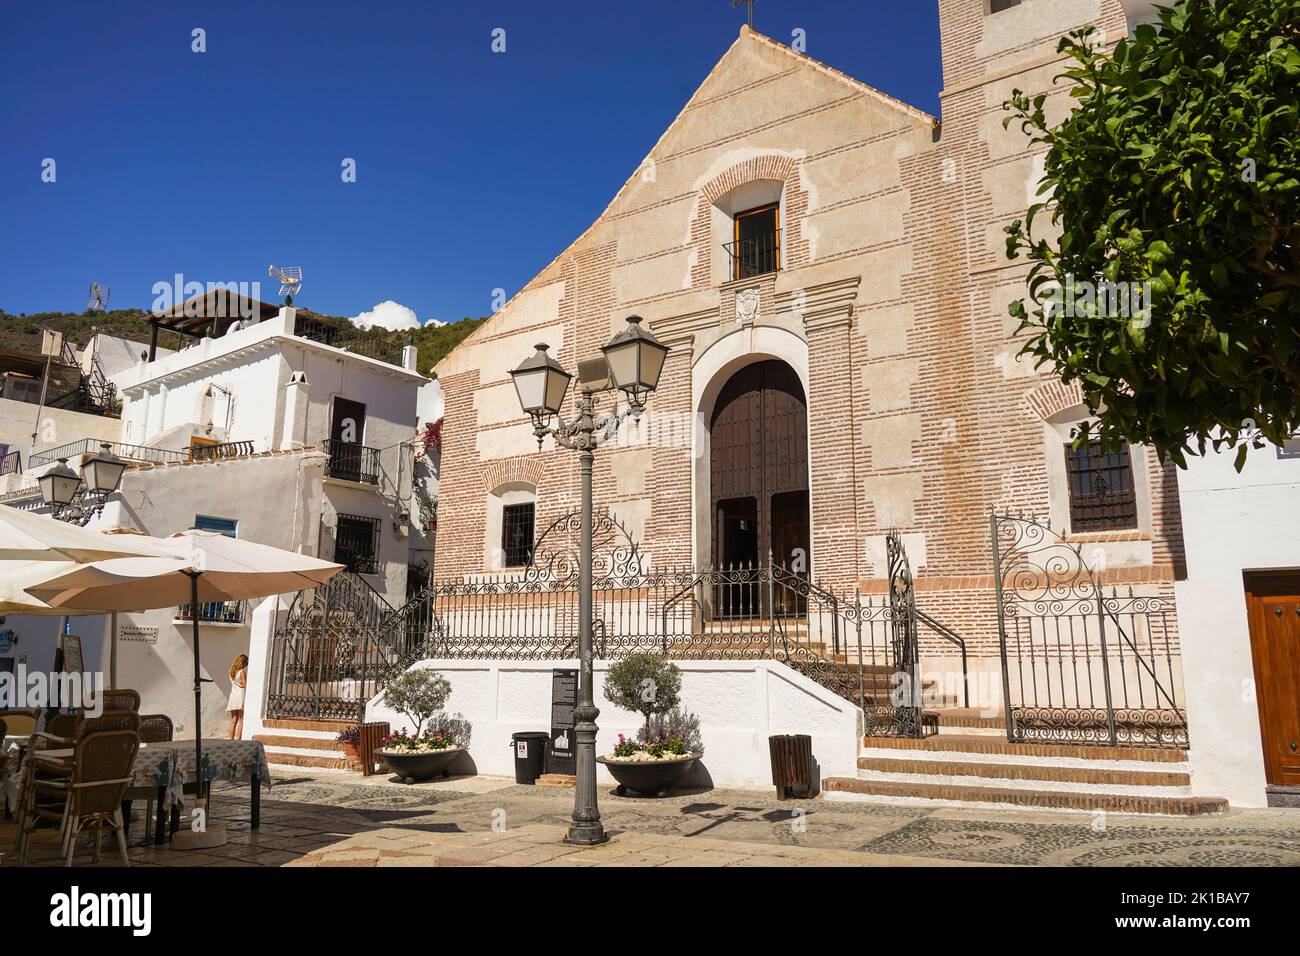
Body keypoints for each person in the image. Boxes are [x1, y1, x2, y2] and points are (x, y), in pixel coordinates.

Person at [227, 654, 248, 739]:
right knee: (241, 719)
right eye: (246, 663)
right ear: (243, 662)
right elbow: (245, 684)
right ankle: (237, 738)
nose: (246, 665)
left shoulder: (231, 671)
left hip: (233, 696)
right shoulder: (241, 671)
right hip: (240, 695)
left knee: (233, 719)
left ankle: (230, 738)